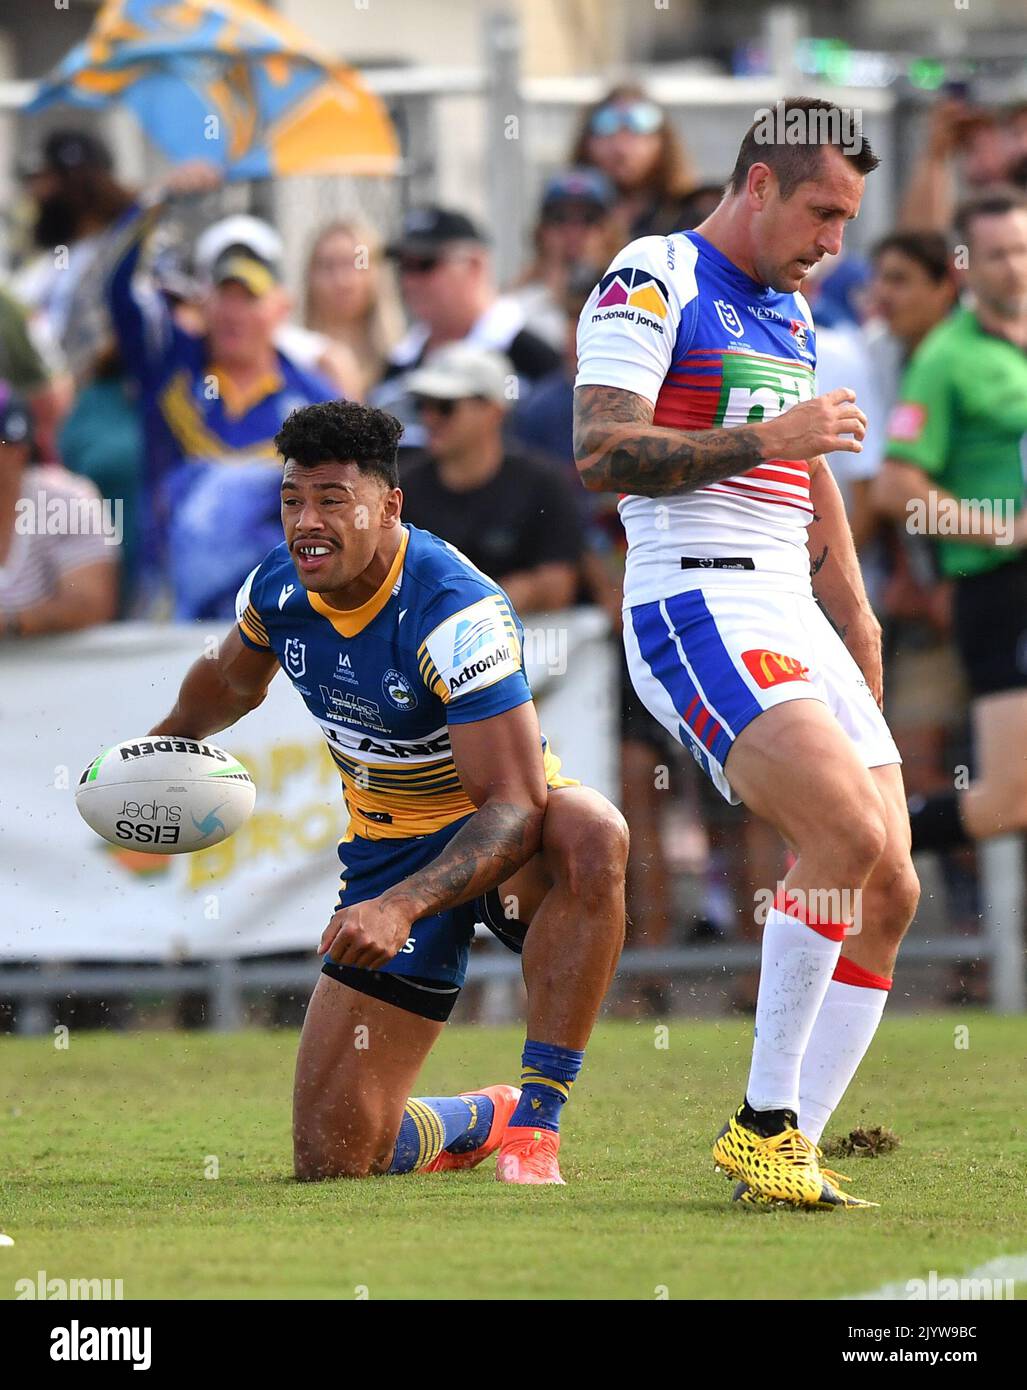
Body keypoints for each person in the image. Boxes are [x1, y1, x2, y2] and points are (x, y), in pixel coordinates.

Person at [574, 97, 921, 1209]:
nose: (834, 241)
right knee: (842, 831)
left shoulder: (790, 307)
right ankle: (762, 1121)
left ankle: (790, 1151)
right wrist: (771, 438)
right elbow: (600, 449)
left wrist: (854, 607)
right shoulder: (652, 274)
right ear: (760, 185)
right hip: (695, 598)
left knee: (892, 887)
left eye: (848, 219)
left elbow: (809, 466)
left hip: (793, 605)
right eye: (821, 211)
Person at [148, 400, 628, 1185]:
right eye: (292, 499)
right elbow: (228, 685)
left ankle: (537, 1124)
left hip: (501, 838)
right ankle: (485, 1117)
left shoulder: (452, 610)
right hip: (386, 848)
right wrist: (165, 743)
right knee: (334, 1158)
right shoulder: (280, 587)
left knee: (590, 831)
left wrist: (401, 906)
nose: (307, 522)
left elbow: (511, 802)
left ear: (389, 505)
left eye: (332, 500)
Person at [101, 162, 337, 616]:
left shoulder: (317, 400)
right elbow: (117, 288)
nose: (233, 311)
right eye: (223, 294)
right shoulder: (166, 364)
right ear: (203, 301)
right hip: (165, 602)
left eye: (248, 296)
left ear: (280, 307)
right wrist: (156, 201)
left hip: (274, 609)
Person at [874, 192, 1027, 851]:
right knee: (1005, 802)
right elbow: (895, 489)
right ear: (965, 266)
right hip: (1004, 590)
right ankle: (853, 838)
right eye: (995, 255)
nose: (1014, 267)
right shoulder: (944, 357)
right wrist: (1006, 530)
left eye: (1021, 250)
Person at [399, 342, 583, 613]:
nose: (429, 417)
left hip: (529, 645)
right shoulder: (404, 488)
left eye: (444, 406)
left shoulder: (543, 484)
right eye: (421, 405)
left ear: (493, 411)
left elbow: (558, 586)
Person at [371, 206, 560, 447]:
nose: (410, 281)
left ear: (475, 265)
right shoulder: (398, 363)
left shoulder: (534, 358)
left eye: (425, 265)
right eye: (404, 267)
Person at [0, 382, 118, 637]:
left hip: (58, 674)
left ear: (18, 449)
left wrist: (11, 622)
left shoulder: (66, 500)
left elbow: (91, 604)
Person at [569, 84, 715, 244]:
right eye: (606, 130)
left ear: (663, 142)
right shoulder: (566, 217)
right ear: (587, 143)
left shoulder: (692, 215)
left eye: (636, 132)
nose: (621, 148)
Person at [505, 169, 615, 352]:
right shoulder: (516, 303)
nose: (573, 231)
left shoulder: (626, 292)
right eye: (559, 218)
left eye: (588, 219)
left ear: (607, 232)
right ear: (541, 230)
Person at [302, 219, 405, 400]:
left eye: (356, 264)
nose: (342, 280)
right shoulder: (296, 360)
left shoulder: (402, 361)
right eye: (328, 266)